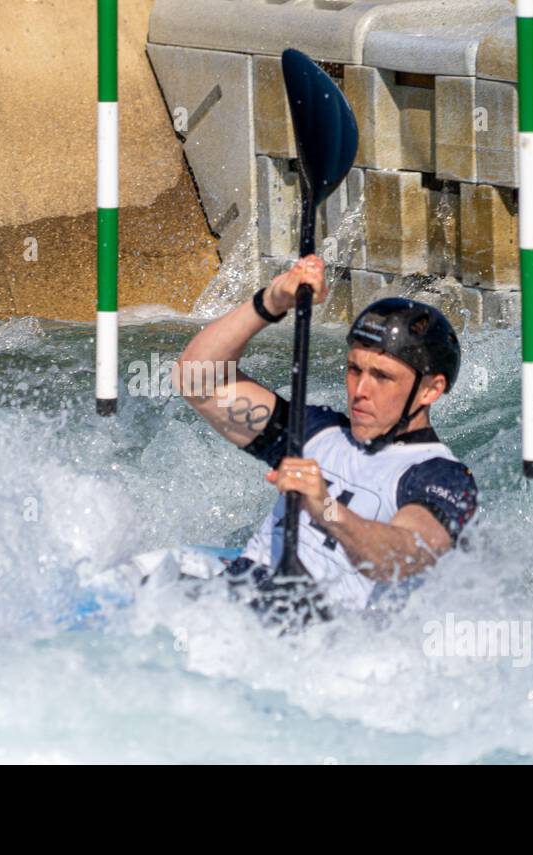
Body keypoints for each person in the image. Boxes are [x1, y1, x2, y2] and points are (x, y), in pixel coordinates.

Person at [173, 255, 477, 614]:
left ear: (430, 390)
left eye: (382, 376)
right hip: (236, 596)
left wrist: (326, 509)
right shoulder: (317, 432)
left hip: (317, 632)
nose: (360, 389)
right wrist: (272, 301)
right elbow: (196, 381)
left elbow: (404, 555)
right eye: (354, 369)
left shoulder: (441, 476)